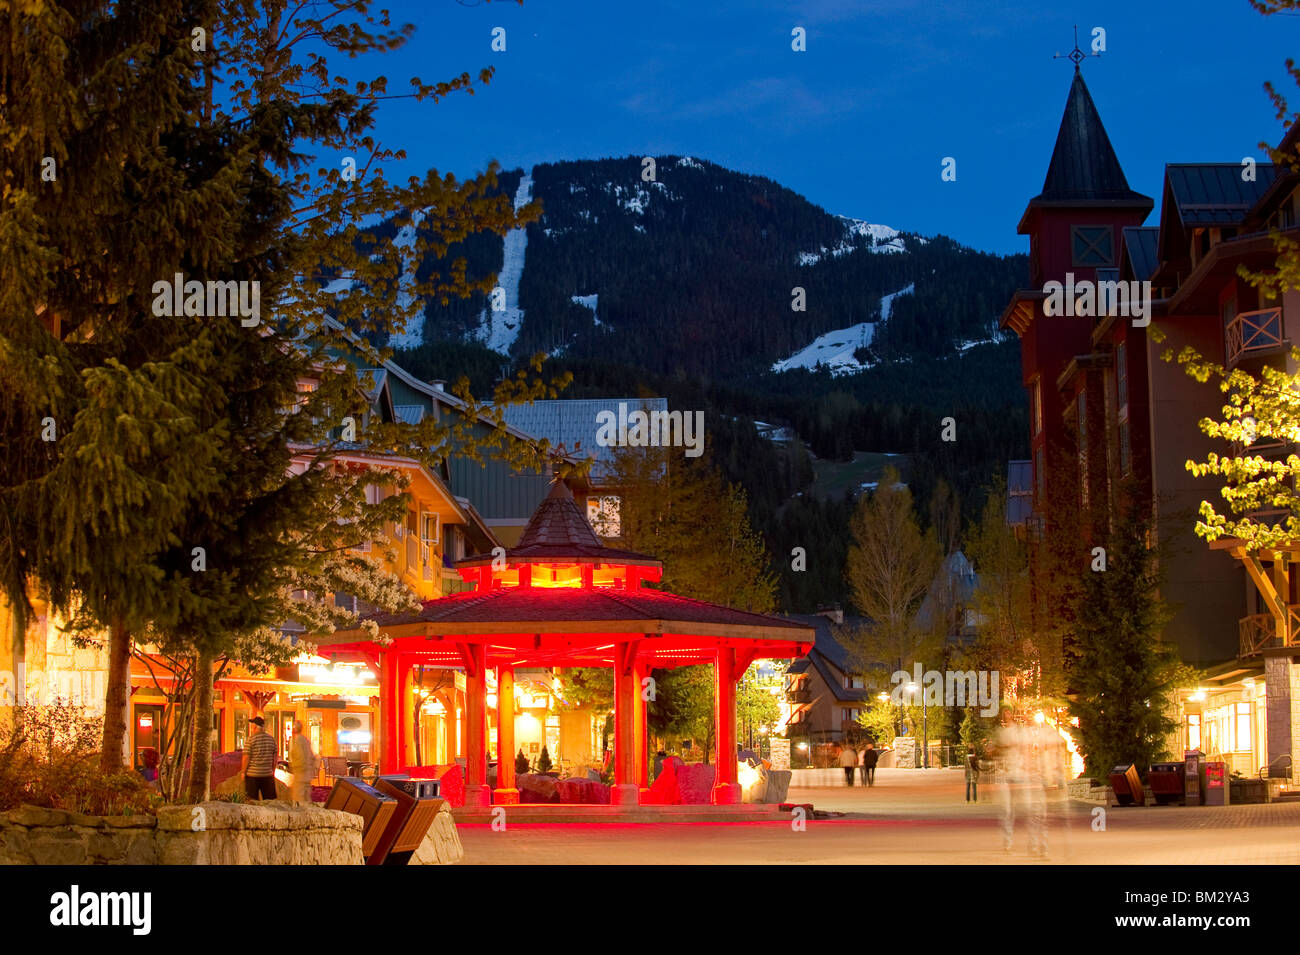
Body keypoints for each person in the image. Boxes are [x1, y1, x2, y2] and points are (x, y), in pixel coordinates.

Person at [241, 715, 278, 801]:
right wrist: (272, 770)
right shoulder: (271, 740)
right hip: (267, 775)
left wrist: (243, 772)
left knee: (252, 802)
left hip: (252, 776)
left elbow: (246, 757)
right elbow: (275, 758)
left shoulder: (250, 740)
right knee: (270, 802)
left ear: (255, 726)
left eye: (252, 725)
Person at [289, 720, 316, 805]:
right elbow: (312, 756)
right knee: (307, 798)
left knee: (298, 799)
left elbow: (299, 757)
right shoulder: (306, 740)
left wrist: (294, 767)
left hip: (300, 773)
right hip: (307, 774)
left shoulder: (296, 741)